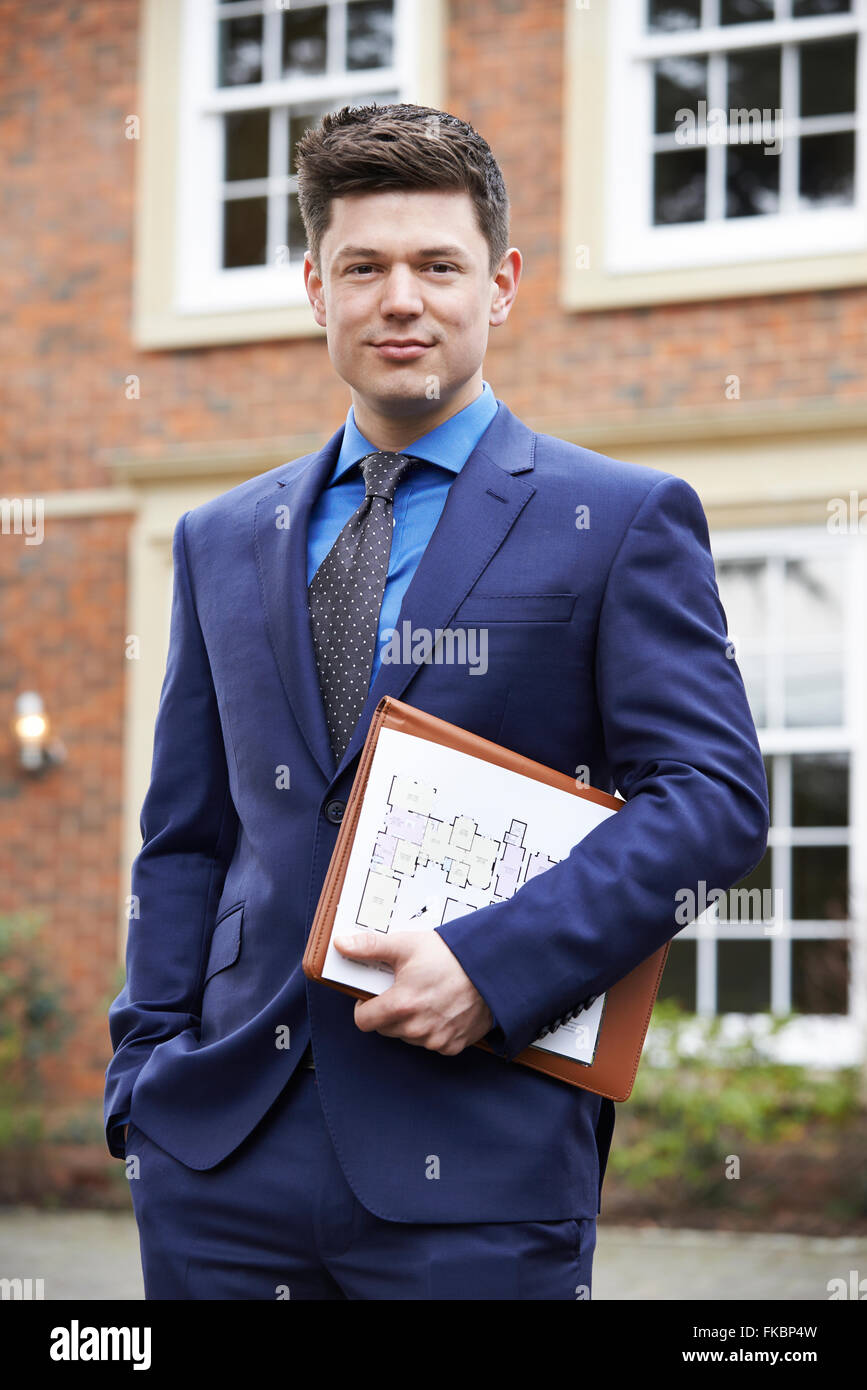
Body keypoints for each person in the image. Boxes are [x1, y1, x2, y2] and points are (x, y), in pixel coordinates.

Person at [105, 102, 768, 1300]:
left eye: (437, 265)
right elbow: (186, 839)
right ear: (316, 286)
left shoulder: (619, 520)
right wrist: (140, 1074)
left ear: (500, 283)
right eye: (364, 266)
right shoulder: (219, 539)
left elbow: (713, 802)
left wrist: (493, 966)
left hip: (480, 1166)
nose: (399, 298)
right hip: (215, 1161)